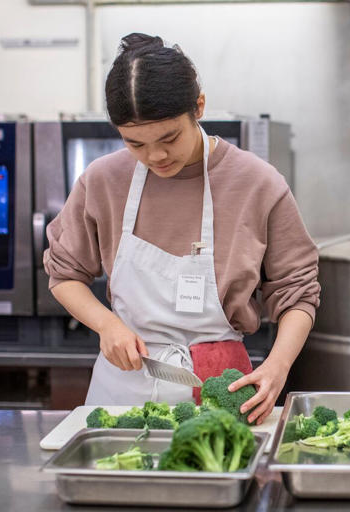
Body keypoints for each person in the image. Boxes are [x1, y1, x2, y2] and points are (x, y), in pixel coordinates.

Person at [43, 34, 320, 425]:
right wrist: (107, 325)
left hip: (221, 391)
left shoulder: (257, 184)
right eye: (134, 143)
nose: (156, 156)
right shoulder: (103, 181)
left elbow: (297, 293)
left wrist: (278, 366)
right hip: (122, 388)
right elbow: (64, 274)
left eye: (169, 138)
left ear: (199, 107)